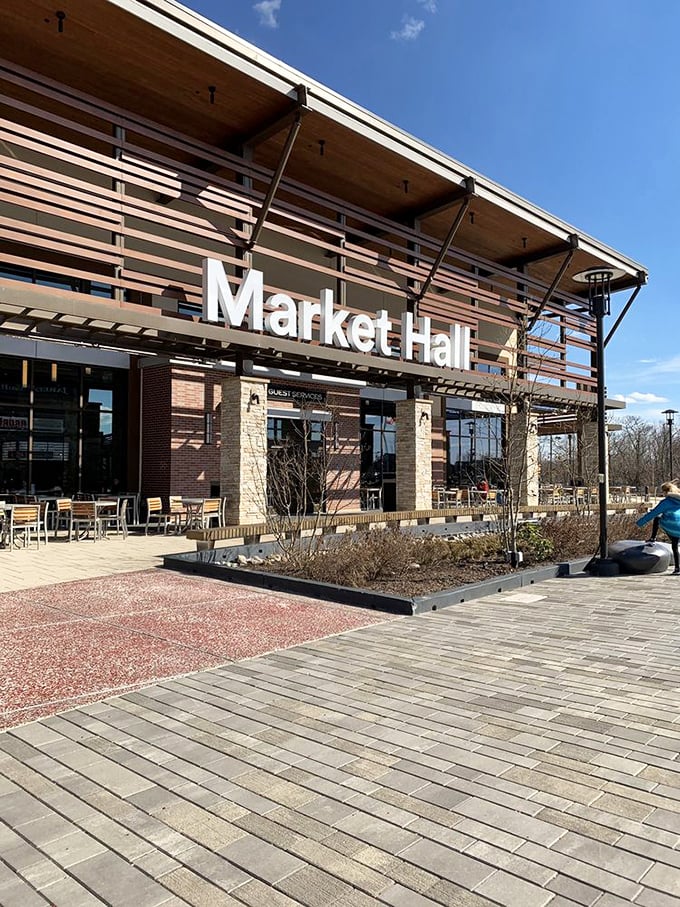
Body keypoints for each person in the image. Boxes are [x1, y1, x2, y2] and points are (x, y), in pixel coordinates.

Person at [636, 481, 680, 575]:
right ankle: (677, 569)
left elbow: (653, 513)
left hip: (672, 526)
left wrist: (639, 523)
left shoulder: (665, 502)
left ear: (665, 492)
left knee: (658, 517)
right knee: (675, 543)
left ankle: (653, 538)